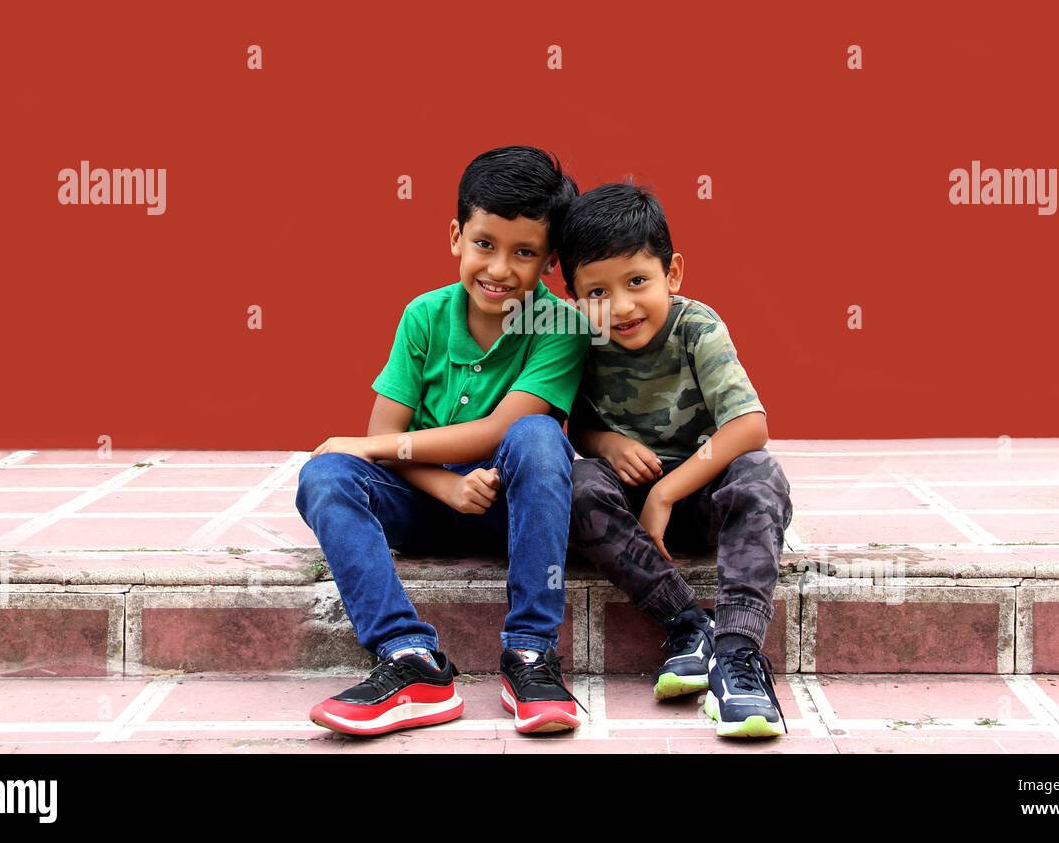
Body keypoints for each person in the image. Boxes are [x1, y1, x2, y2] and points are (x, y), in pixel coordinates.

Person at [294, 146, 591, 735]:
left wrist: (370, 446)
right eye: (484, 243)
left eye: (524, 253)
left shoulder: (562, 324)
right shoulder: (424, 316)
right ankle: (410, 660)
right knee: (325, 477)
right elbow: (386, 432)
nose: (500, 269)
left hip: (512, 506)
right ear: (456, 235)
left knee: (536, 437)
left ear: (550, 261)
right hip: (422, 503)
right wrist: (446, 488)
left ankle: (530, 650)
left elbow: (494, 432)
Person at [561, 181, 794, 738]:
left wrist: (666, 492)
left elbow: (750, 425)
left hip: (702, 493)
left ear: (674, 273)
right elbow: (580, 424)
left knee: (761, 475)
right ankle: (688, 622)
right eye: (596, 292)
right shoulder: (579, 342)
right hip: (626, 503)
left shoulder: (697, 328)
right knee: (574, 485)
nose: (619, 307)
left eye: (637, 281)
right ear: (572, 296)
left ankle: (738, 656)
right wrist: (606, 443)